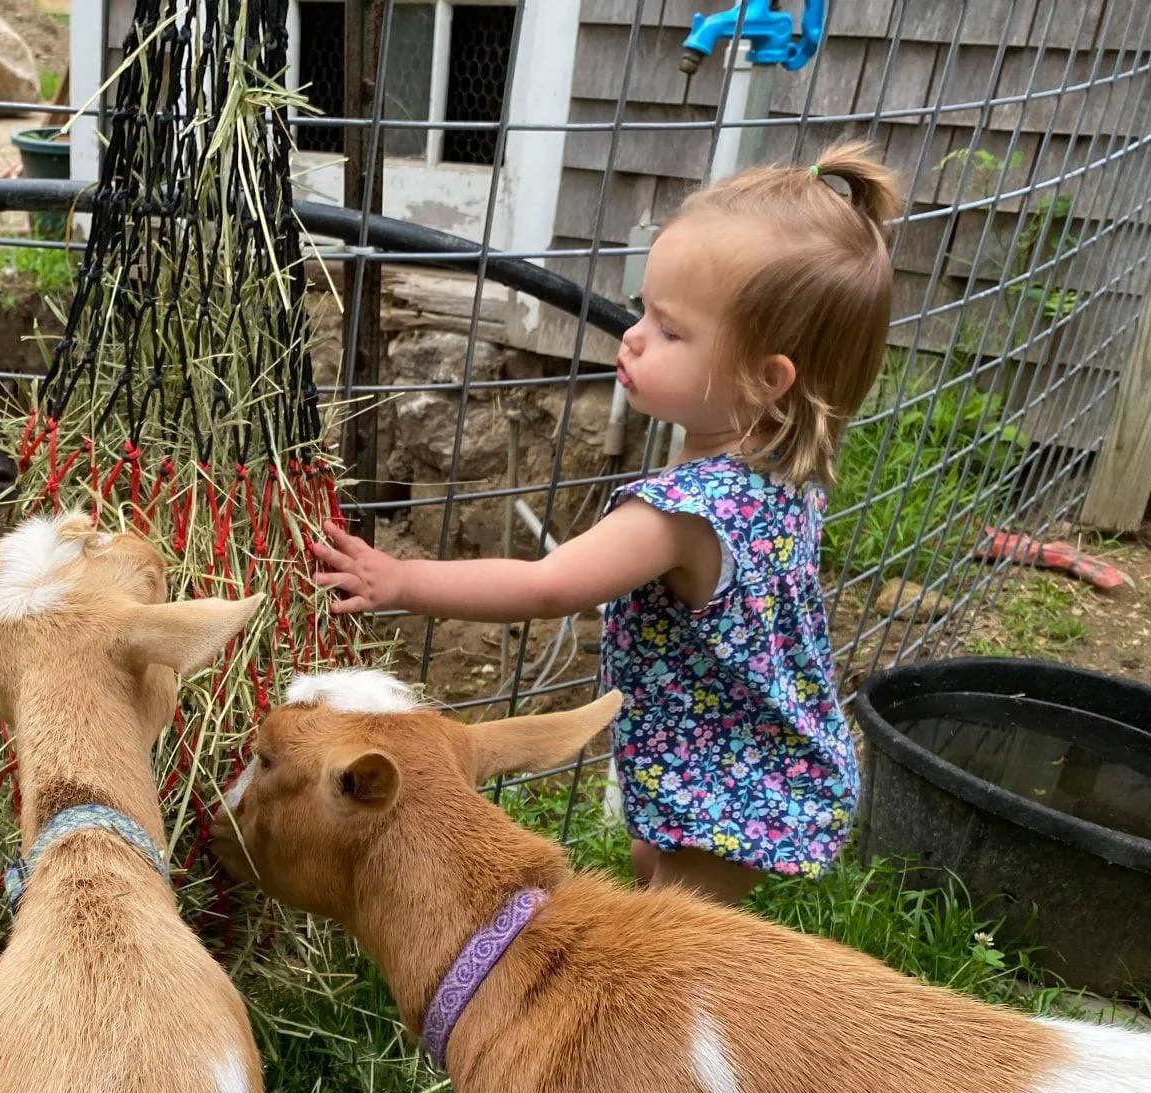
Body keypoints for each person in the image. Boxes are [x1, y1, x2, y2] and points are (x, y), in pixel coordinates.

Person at [309, 141, 904, 904]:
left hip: (726, 783)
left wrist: (402, 578)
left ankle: (678, 1018)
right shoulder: (782, 480)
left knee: (672, 938)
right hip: (741, 755)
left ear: (766, 380)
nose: (633, 335)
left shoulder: (681, 517)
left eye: (670, 329)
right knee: (656, 881)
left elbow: (546, 586)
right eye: (643, 309)